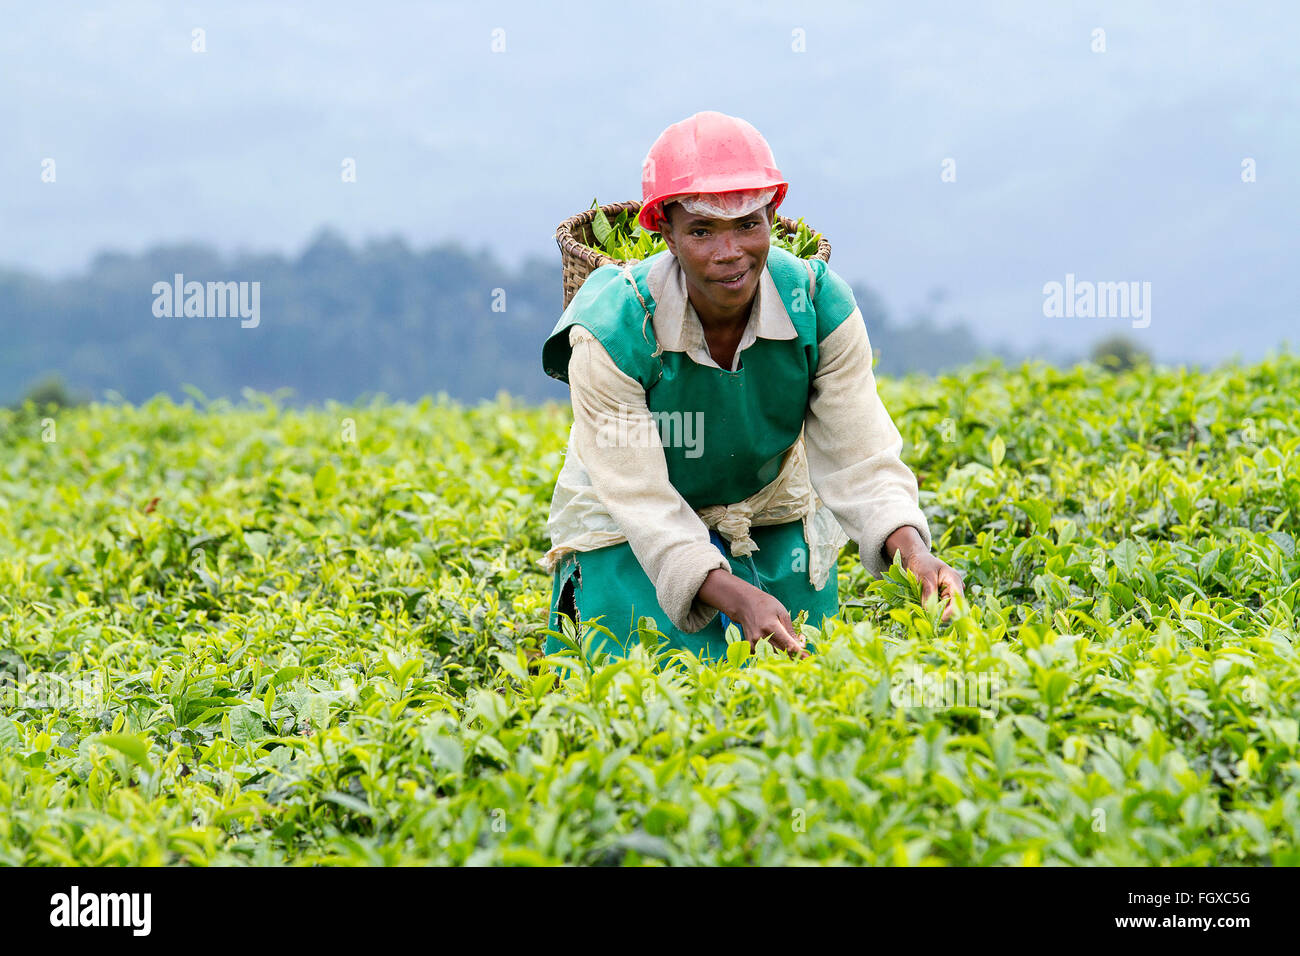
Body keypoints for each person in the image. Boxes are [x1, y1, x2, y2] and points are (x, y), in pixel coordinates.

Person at [540, 110, 964, 663]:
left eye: (748, 224)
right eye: (700, 231)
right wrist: (735, 596)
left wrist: (913, 552)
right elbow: (640, 497)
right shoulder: (612, 328)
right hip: (633, 524)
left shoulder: (817, 305)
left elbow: (859, 453)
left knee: (808, 672)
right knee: (649, 674)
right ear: (662, 230)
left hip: (764, 505)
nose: (729, 253)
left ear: (773, 216)